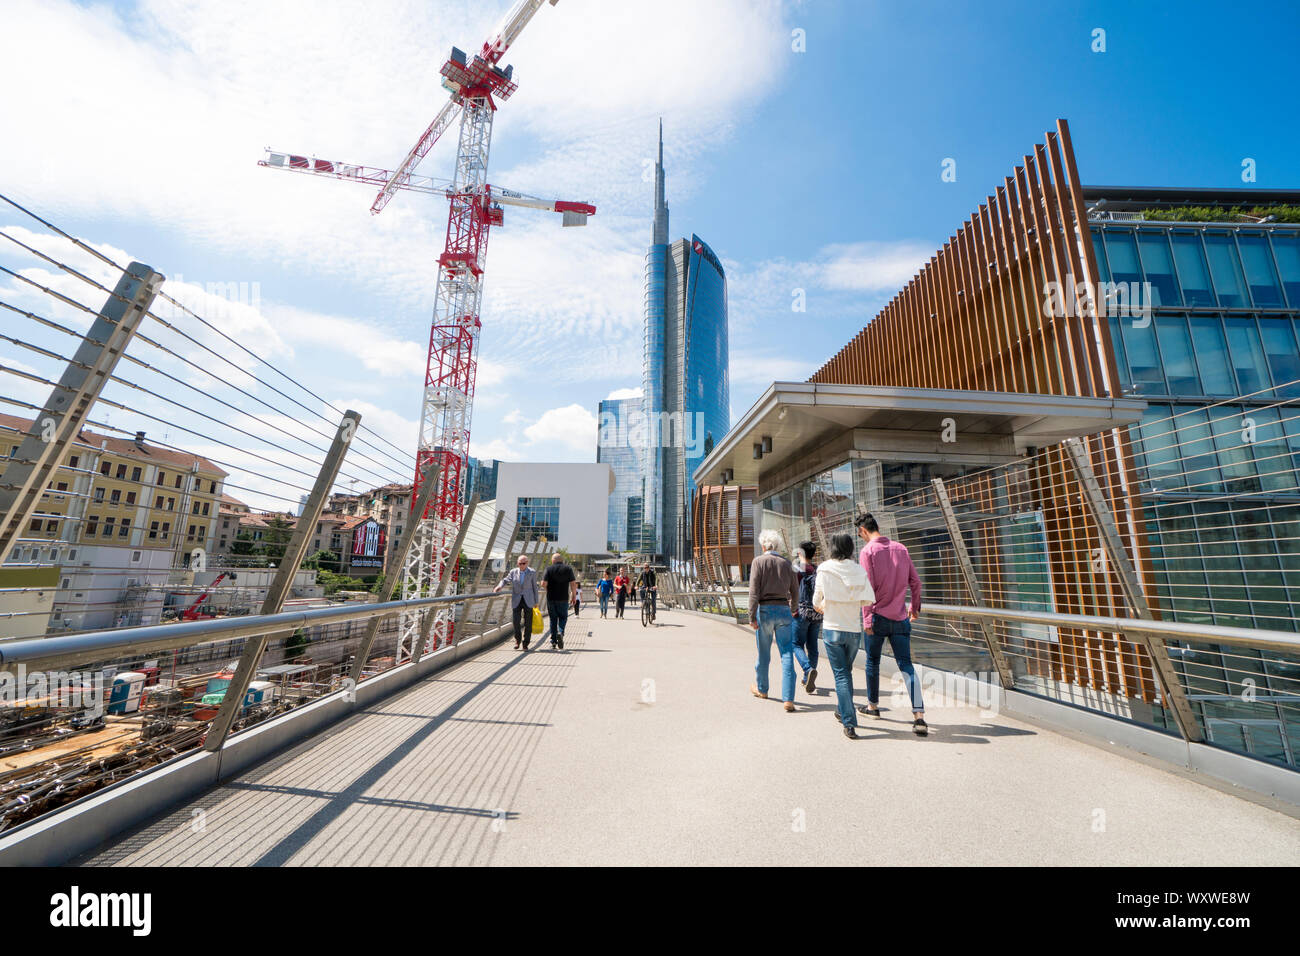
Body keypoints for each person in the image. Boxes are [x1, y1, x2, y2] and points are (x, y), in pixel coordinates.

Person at [855, 513, 927, 736]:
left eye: (860, 535)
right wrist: (914, 608)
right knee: (906, 665)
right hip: (900, 617)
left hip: (876, 617)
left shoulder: (868, 551)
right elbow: (916, 582)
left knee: (872, 662)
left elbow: (866, 588)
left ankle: (873, 707)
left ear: (863, 531)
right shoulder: (901, 548)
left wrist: (866, 619)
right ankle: (919, 717)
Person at [813, 533, 875, 739]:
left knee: (841, 675)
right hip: (853, 631)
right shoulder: (858, 570)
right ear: (850, 548)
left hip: (832, 628)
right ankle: (842, 710)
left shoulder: (824, 568)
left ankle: (849, 722)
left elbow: (816, 601)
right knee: (845, 672)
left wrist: (824, 606)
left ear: (832, 547)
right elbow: (868, 599)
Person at [748, 529, 800, 712]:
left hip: (765, 610)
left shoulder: (758, 562)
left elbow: (753, 591)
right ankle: (788, 699)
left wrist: (751, 616)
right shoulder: (787, 563)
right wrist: (793, 608)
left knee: (764, 654)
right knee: (787, 654)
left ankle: (762, 689)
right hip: (784, 610)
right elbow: (795, 590)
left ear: (763, 545)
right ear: (777, 545)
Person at [791, 540, 822, 695]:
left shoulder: (796, 569)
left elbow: (790, 590)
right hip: (817, 612)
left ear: (800, 553)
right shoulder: (818, 570)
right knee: (813, 647)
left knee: (796, 644)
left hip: (800, 612)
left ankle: (808, 669)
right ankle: (807, 678)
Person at [493, 553, 540, 651]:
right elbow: (505, 580)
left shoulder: (532, 572)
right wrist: (499, 586)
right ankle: (517, 640)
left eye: (523, 563)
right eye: (519, 563)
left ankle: (525, 643)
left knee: (528, 623)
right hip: (516, 599)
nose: (521, 565)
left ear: (527, 563)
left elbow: (535, 587)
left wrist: (536, 601)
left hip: (528, 600)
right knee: (516, 622)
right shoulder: (513, 571)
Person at [541, 552, 578, 650]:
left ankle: (553, 642)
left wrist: (548, 589)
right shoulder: (568, 569)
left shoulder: (549, 569)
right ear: (562, 560)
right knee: (563, 617)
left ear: (553, 560)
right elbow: (573, 584)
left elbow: (543, 583)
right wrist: (574, 596)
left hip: (551, 598)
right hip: (563, 598)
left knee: (553, 619)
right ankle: (560, 632)